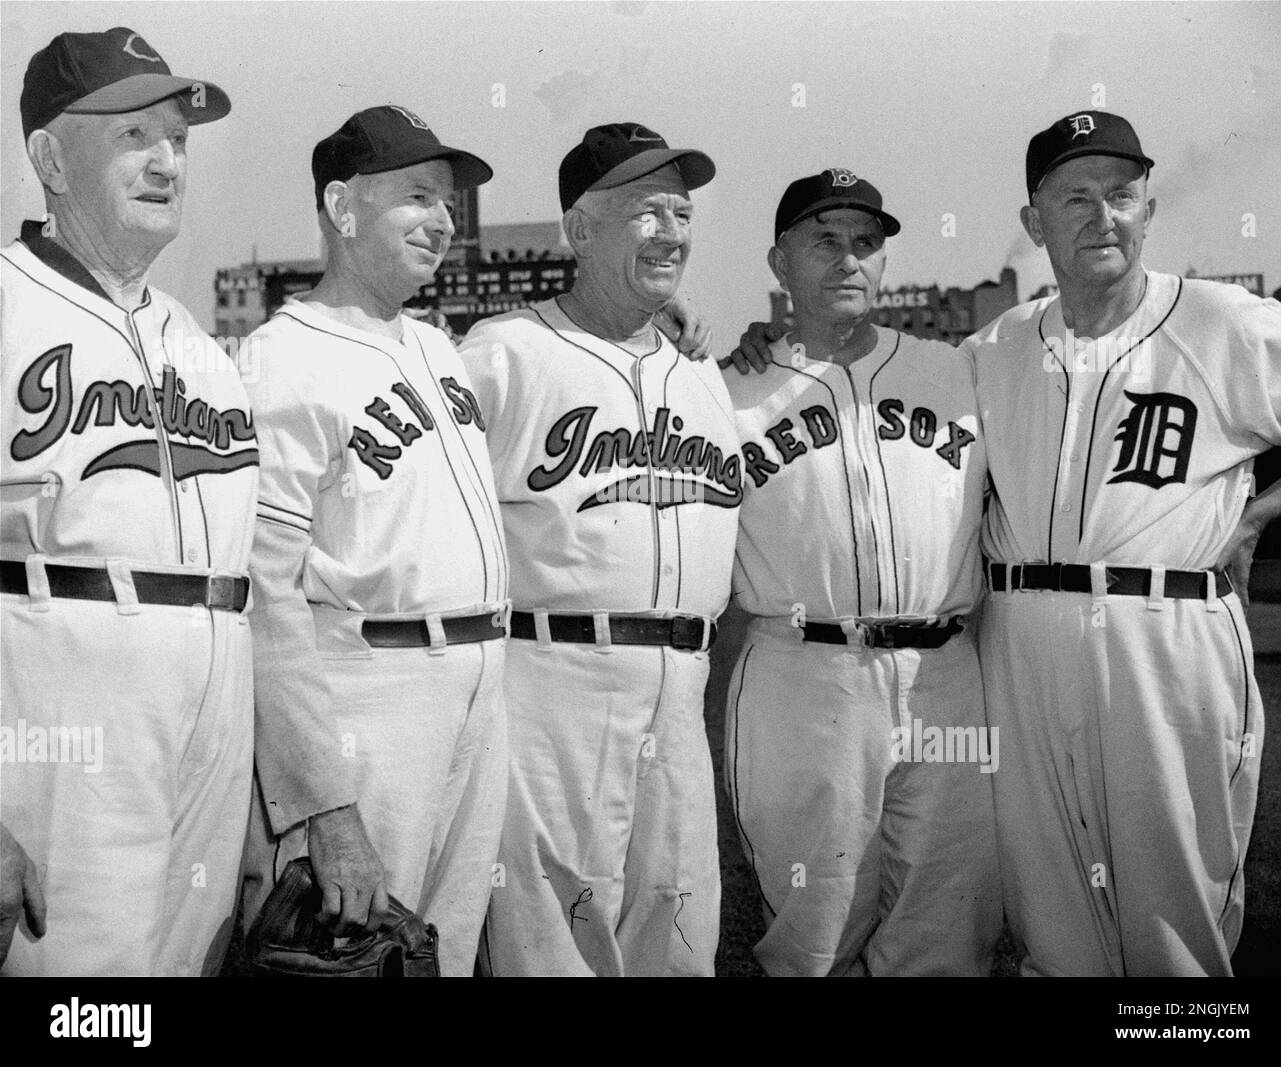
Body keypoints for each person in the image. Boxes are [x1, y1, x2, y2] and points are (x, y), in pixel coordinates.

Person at [961, 110, 1281, 975]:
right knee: (1049, 919)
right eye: (1073, 197)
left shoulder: (1225, 322)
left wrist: (1261, 514)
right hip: (1021, 646)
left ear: (1149, 211)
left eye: (1121, 194)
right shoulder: (993, 348)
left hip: (1166, 634)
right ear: (1034, 223)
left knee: (1172, 923)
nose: (1100, 215)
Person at [1, 27, 256, 975]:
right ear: (49, 159)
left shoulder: (199, 343)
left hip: (212, 718)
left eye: (178, 140)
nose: (167, 160)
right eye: (134, 136)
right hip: (66, 730)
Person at [459, 123, 741, 976]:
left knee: (680, 930)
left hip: (683, 691)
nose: (673, 234)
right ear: (581, 232)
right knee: (552, 942)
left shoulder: (701, 370)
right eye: (647, 214)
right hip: (555, 685)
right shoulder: (503, 353)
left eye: (682, 213)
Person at [236, 106, 510, 976]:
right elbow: (266, 592)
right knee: (351, 958)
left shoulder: (436, 347)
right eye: (418, 197)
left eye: (449, 202)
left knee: (443, 956)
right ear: (343, 208)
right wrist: (325, 799)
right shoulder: (280, 357)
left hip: (477, 691)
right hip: (369, 697)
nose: (443, 219)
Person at [720, 169, 1001, 976]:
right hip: (804, 675)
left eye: (867, 243)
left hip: (946, 669)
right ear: (780, 263)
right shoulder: (728, 387)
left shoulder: (957, 371)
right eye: (825, 240)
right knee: (814, 930)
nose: (850, 259)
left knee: (951, 918)